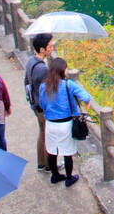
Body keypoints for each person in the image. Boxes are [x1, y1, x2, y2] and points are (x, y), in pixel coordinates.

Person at [38, 57, 92, 187]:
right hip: (65, 124)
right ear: (62, 70)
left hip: (50, 123)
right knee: (67, 152)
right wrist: (87, 102)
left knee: (52, 150)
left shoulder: (44, 86)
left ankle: (55, 175)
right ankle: (69, 178)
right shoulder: (68, 85)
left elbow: (42, 104)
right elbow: (85, 96)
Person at [24, 33, 54, 171]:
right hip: (41, 107)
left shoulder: (31, 61)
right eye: (50, 46)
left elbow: (26, 81)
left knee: (42, 133)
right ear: (42, 49)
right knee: (47, 134)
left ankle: (42, 163)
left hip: (34, 103)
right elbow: (48, 90)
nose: (52, 47)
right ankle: (49, 165)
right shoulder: (42, 69)